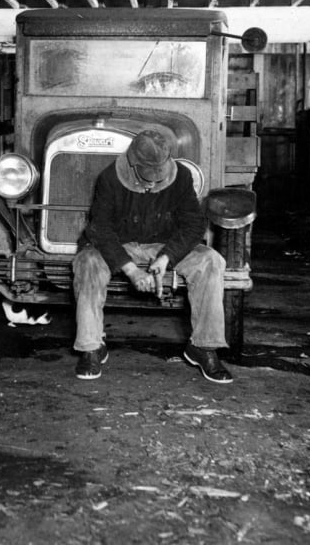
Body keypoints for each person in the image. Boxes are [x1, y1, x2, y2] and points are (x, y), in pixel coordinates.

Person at [72, 129, 232, 383]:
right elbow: (100, 230)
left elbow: (193, 225)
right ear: (134, 163)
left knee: (211, 261)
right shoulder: (109, 179)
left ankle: (203, 346)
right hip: (122, 245)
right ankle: (91, 346)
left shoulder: (181, 177)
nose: (156, 179)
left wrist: (167, 257)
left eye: (160, 171)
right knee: (87, 262)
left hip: (162, 246)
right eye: (150, 172)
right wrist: (131, 269)